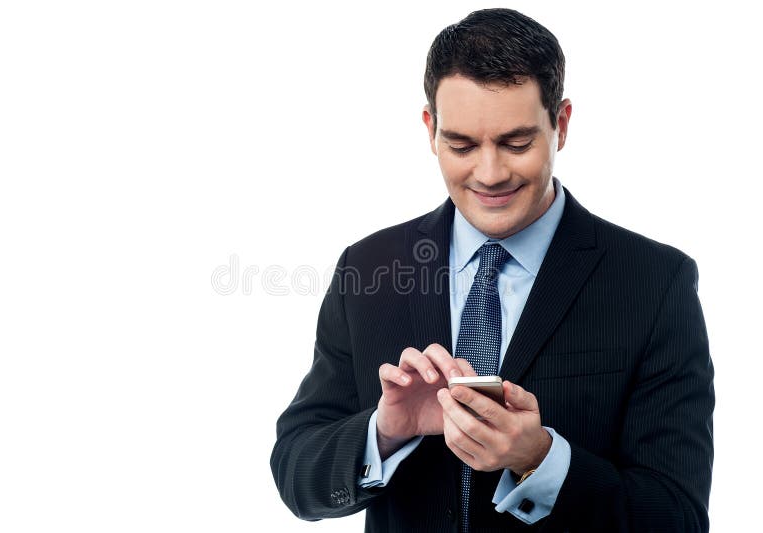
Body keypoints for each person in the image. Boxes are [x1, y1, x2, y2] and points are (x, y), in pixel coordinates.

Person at [270, 8, 714, 532]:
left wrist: (541, 460)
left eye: (516, 143)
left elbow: (679, 517)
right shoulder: (369, 269)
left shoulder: (654, 283)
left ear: (561, 124)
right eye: (461, 145)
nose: (490, 174)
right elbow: (297, 475)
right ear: (430, 129)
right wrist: (383, 431)